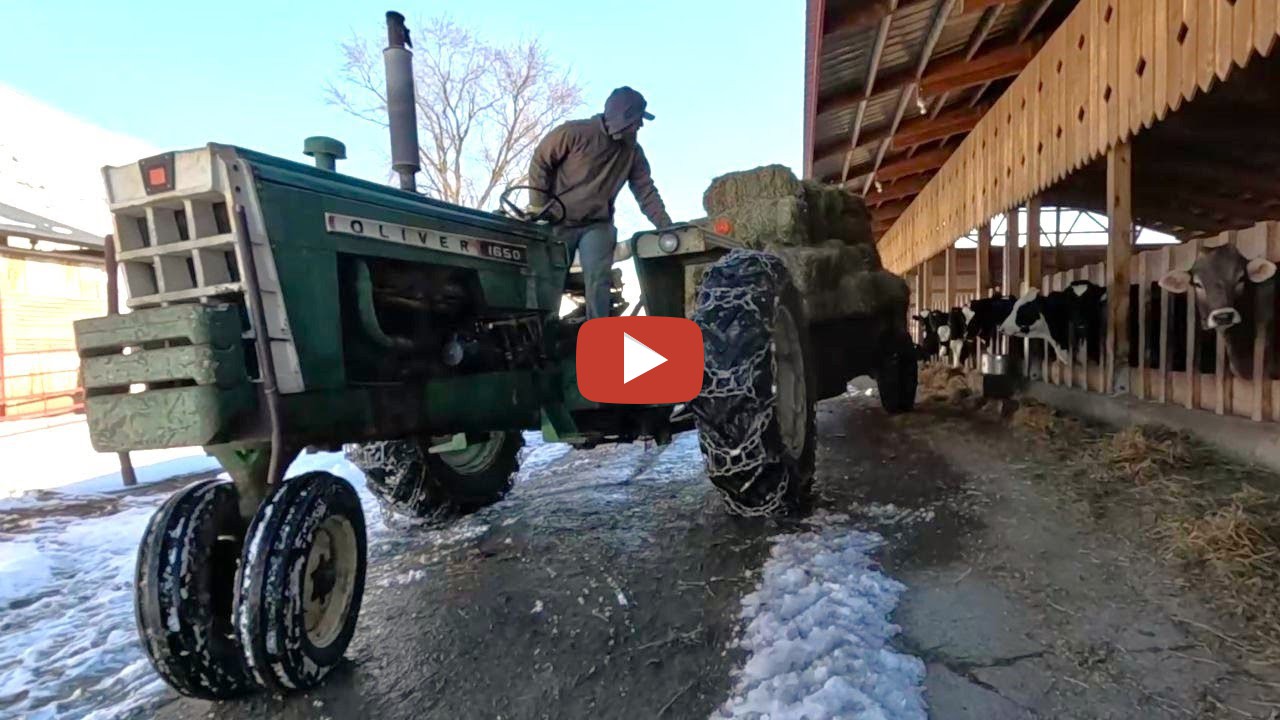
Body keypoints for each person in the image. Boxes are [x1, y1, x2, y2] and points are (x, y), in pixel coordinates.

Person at [527, 86, 673, 319]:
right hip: (559, 220)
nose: (640, 126)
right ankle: (543, 329)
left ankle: (598, 331)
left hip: (597, 224)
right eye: (637, 119)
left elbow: (646, 191)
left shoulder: (633, 153)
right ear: (622, 116)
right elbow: (540, 160)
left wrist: (665, 225)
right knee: (549, 280)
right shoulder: (574, 133)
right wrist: (538, 205)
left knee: (598, 279)